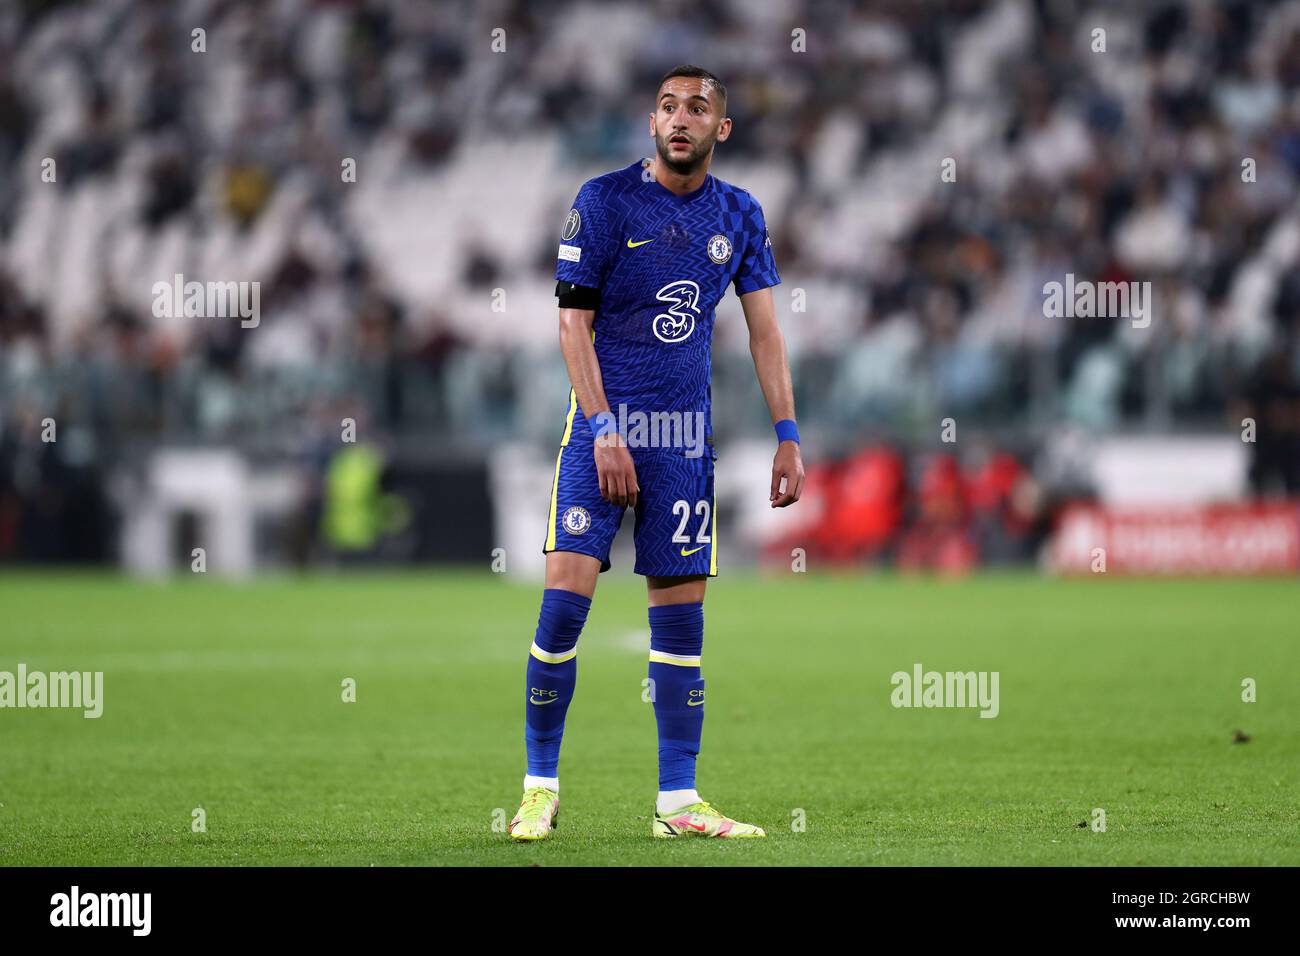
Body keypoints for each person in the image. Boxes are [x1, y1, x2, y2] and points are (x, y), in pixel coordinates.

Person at [508, 66, 804, 841]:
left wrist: (787, 434)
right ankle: (539, 787)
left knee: (680, 632)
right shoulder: (603, 201)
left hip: (683, 444)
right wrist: (605, 428)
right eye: (669, 107)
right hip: (602, 432)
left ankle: (679, 803)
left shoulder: (738, 213)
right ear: (652, 121)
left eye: (698, 108)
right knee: (563, 609)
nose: (682, 118)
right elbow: (573, 326)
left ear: (722, 129)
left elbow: (765, 332)